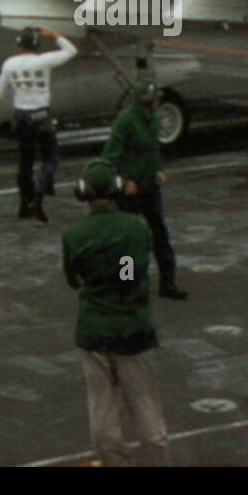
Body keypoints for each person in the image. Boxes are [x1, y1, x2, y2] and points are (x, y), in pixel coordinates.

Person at [62, 159, 170, 466]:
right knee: (147, 412)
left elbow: (74, 279)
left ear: (83, 192)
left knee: (103, 416)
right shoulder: (135, 227)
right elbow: (132, 273)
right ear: (116, 189)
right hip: (132, 330)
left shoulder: (73, 234)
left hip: (94, 330)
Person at [102, 79, 188, 300]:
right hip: (130, 191)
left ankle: (168, 284)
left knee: (160, 236)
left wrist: (158, 169)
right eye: (156, 99)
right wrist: (124, 180)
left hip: (150, 186)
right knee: (128, 241)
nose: (159, 102)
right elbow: (110, 157)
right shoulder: (125, 121)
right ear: (147, 102)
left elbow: (153, 148)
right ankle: (126, 287)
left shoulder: (152, 120)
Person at [0, 25, 77, 222]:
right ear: (37, 44)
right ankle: (42, 189)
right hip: (41, 116)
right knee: (51, 157)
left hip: (21, 117)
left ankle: (25, 204)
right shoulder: (44, 61)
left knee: (25, 161)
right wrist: (56, 34)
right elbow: (71, 51)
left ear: (20, 44)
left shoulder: (10, 64)